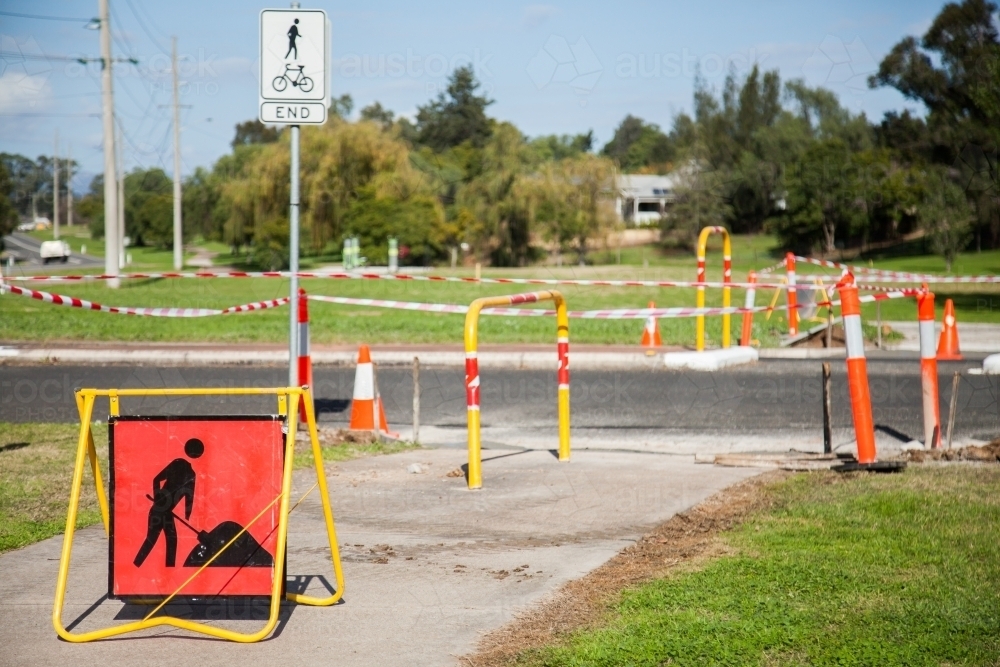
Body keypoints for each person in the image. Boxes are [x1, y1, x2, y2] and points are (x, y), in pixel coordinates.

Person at [133, 438, 204, 568]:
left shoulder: (192, 474)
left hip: (167, 513)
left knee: (171, 541)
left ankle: (168, 571)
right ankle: (135, 566)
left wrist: (187, 517)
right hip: (159, 510)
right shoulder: (178, 464)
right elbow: (156, 479)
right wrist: (158, 500)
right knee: (151, 540)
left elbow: (190, 499)